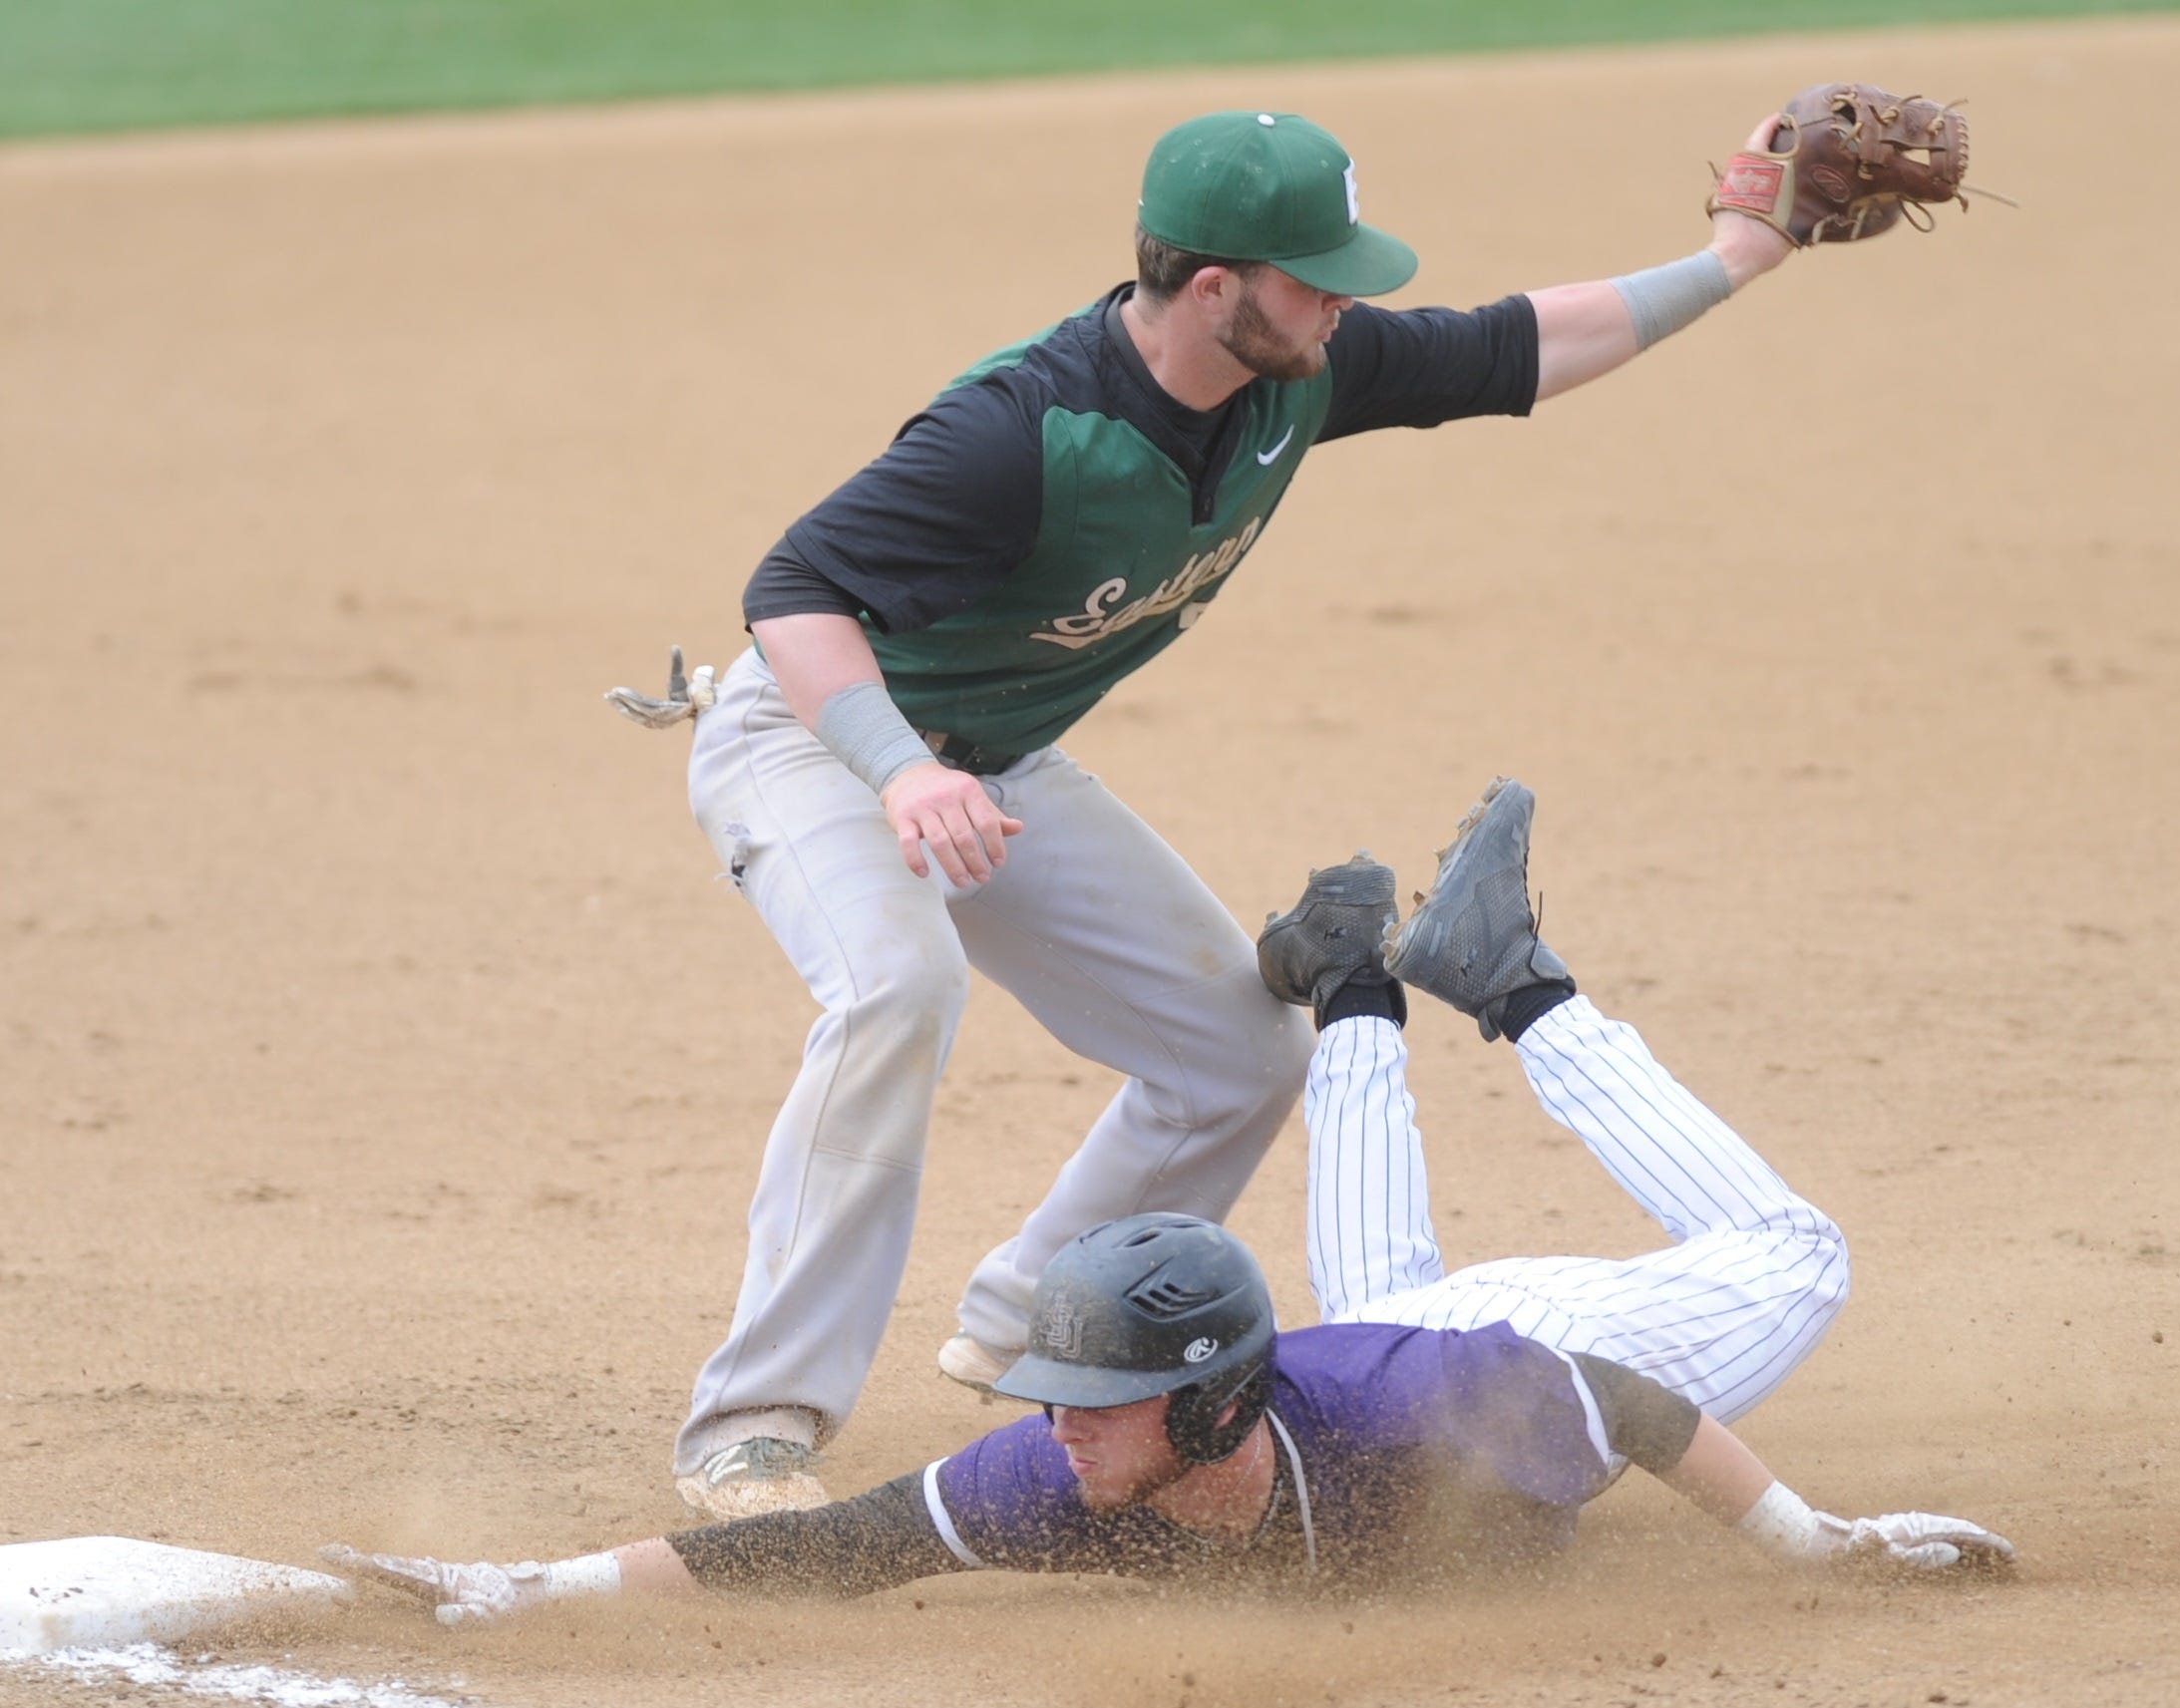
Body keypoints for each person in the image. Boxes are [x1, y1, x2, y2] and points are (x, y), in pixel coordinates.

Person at [603, 104, 1808, 1520]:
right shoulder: (1015, 430)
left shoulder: (1298, 369)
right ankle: (753, 1427)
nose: (1344, 298)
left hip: (994, 755)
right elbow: (794, 594)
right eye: (1314, 274)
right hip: (819, 738)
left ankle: (1029, 1318)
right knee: (895, 986)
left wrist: (1739, 252)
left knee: (1236, 1047)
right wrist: (901, 771)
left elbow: (1515, 345)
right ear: (1214, 287)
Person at [323, 781, 2010, 1617]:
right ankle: (1351, 985)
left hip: (1527, 1347)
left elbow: (1634, 1401)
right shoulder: (1085, 1471)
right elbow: (830, 1546)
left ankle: (1519, 997)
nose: (1056, 1430)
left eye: (1095, 1401)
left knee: (1796, 1254)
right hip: (1377, 1350)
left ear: (1202, 1401)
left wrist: (1821, 1540)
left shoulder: (1428, 1398)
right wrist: (527, 1587)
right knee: (1380, 1297)